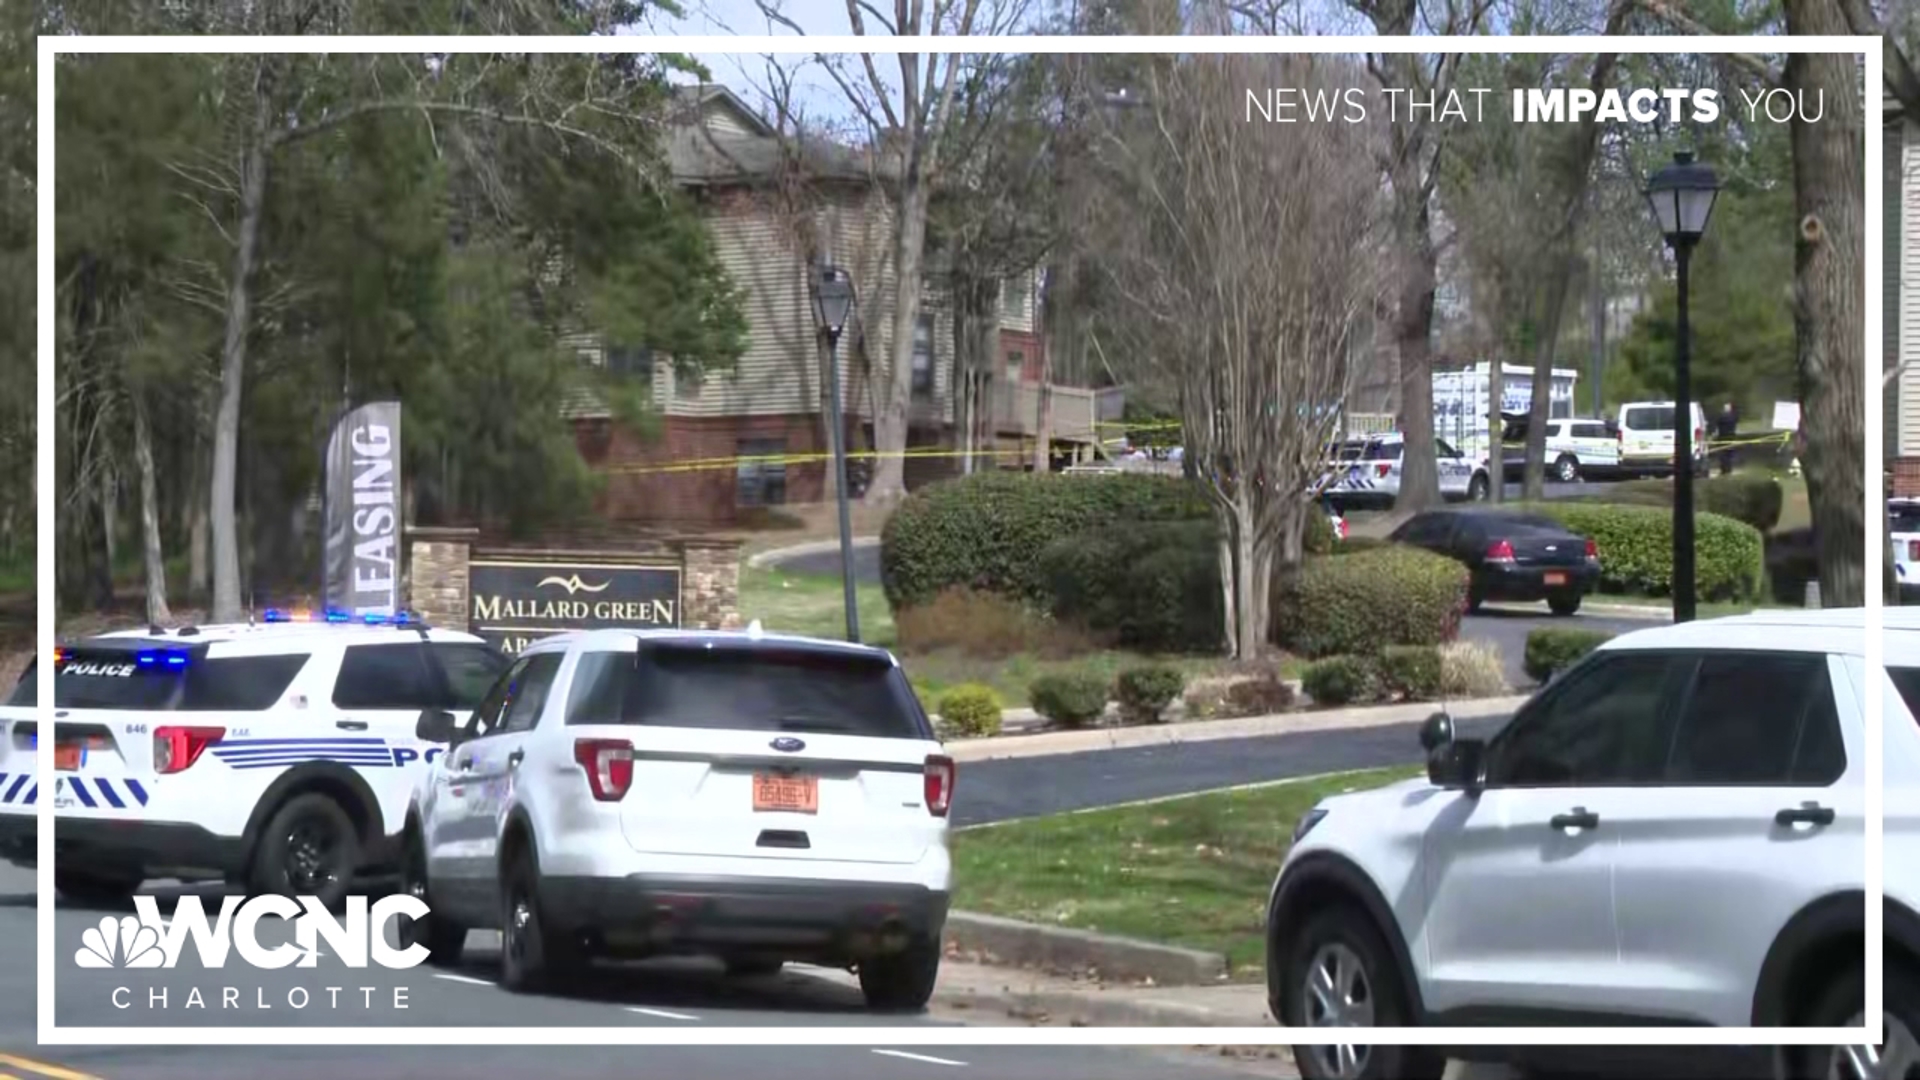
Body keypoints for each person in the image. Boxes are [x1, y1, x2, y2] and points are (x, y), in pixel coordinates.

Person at [1716, 401, 1740, 475]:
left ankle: (1724, 470)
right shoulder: (1733, 417)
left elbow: (1718, 424)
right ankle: (1729, 469)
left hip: (1722, 438)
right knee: (1729, 455)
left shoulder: (1722, 417)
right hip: (1731, 438)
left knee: (1723, 455)